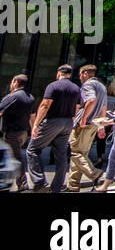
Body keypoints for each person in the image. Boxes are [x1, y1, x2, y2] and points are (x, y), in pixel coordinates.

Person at [26, 64, 81, 193]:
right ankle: (56, 188)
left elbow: (45, 105)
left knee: (32, 149)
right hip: (68, 122)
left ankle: (40, 182)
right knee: (61, 155)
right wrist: (70, 121)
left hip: (52, 121)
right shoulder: (76, 88)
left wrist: (35, 125)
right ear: (69, 74)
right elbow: (77, 107)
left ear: (58, 73)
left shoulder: (53, 86)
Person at [67, 64, 108, 191]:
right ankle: (73, 186)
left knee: (73, 151)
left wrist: (83, 119)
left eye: (80, 74)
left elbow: (91, 100)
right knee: (80, 155)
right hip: (94, 125)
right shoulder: (102, 87)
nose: (80, 78)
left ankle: (95, 173)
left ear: (85, 73)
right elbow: (103, 109)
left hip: (84, 125)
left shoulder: (88, 85)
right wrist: (101, 127)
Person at [0, 75, 34, 191]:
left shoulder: (12, 97)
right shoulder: (30, 97)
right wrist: (33, 129)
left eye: (12, 82)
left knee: (15, 158)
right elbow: (32, 116)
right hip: (23, 133)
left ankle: (22, 183)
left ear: (15, 82)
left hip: (12, 134)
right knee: (13, 157)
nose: (10, 84)